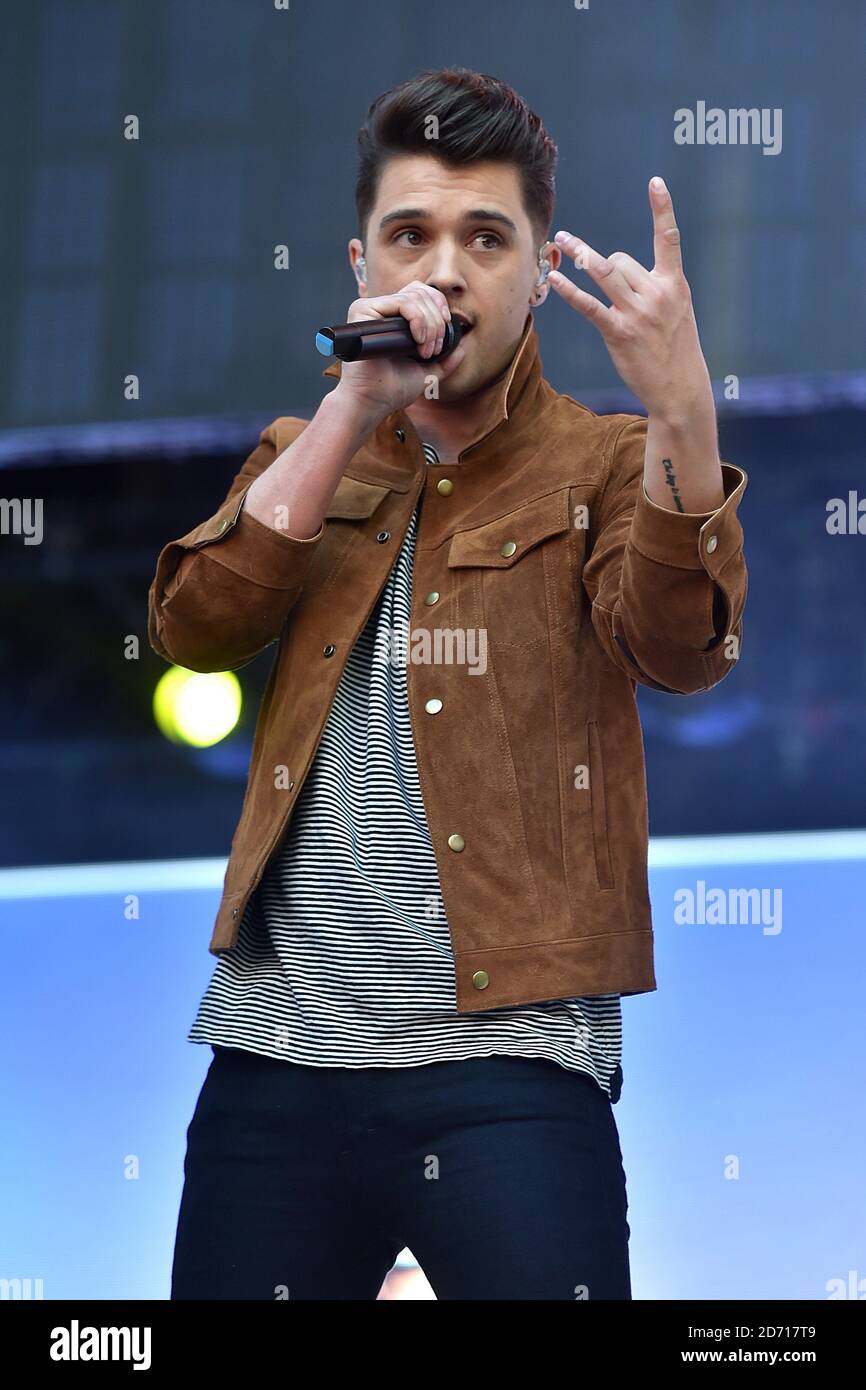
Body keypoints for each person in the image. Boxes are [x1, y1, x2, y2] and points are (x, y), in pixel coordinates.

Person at [149, 66, 748, 1300]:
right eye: (408, 236)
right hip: (278, 1061)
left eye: (486, 238)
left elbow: (682, 648)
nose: (445, 269)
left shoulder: (606, 462)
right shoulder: (300, 456)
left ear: (536, 273)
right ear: (357, 261)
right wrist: (352, 404)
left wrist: (684, 413)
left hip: (510, 1068)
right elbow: (192, 631)